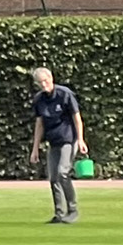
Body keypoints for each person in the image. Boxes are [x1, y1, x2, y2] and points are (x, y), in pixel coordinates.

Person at [27, 64, 86, 223]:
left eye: (45, 81)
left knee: (62, 172)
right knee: (53, 178)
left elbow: (77, 118)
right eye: (40, 83)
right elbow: (39, 124)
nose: (43, 85)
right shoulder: (39, 100)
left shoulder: (65, 95)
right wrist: (35, 149)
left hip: (69, 139)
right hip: (53, 141)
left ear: (51, 78)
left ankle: (72, 210)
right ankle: (59, 214)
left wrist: (80, 139)